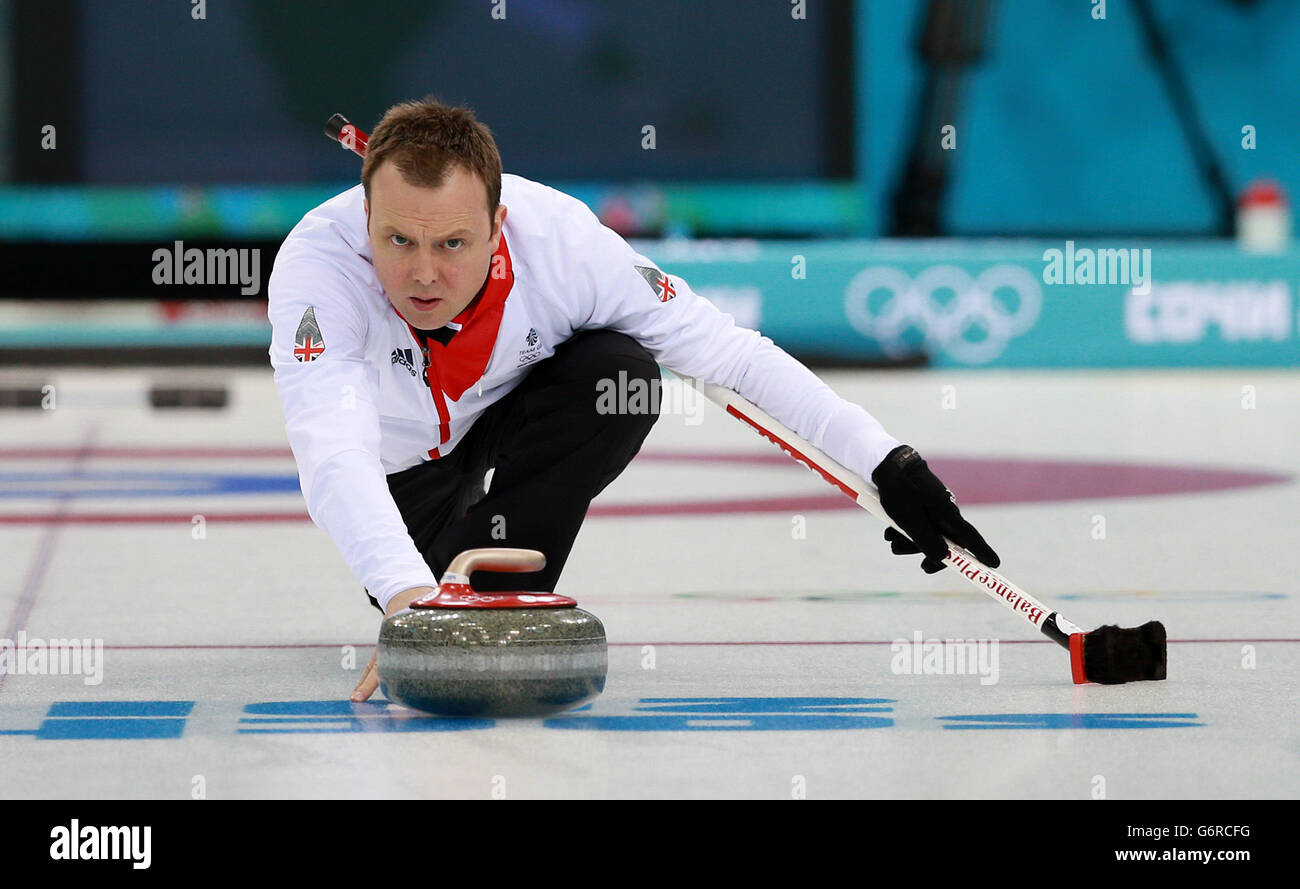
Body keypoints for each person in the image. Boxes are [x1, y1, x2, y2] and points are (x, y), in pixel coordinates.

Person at [267, 97, 1000, 703]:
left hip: (503, 413)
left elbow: (733, 356)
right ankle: (444, 598)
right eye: (397, 240)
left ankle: (493, 600)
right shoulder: (318, 267)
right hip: (403, 475)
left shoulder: (564, 246)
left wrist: (886, 461)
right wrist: (406, 598)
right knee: (413, 571)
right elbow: (333, 448)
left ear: (498, 226)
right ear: (366, 221)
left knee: (618, 376)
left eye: (452, 245)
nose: (422, 274)